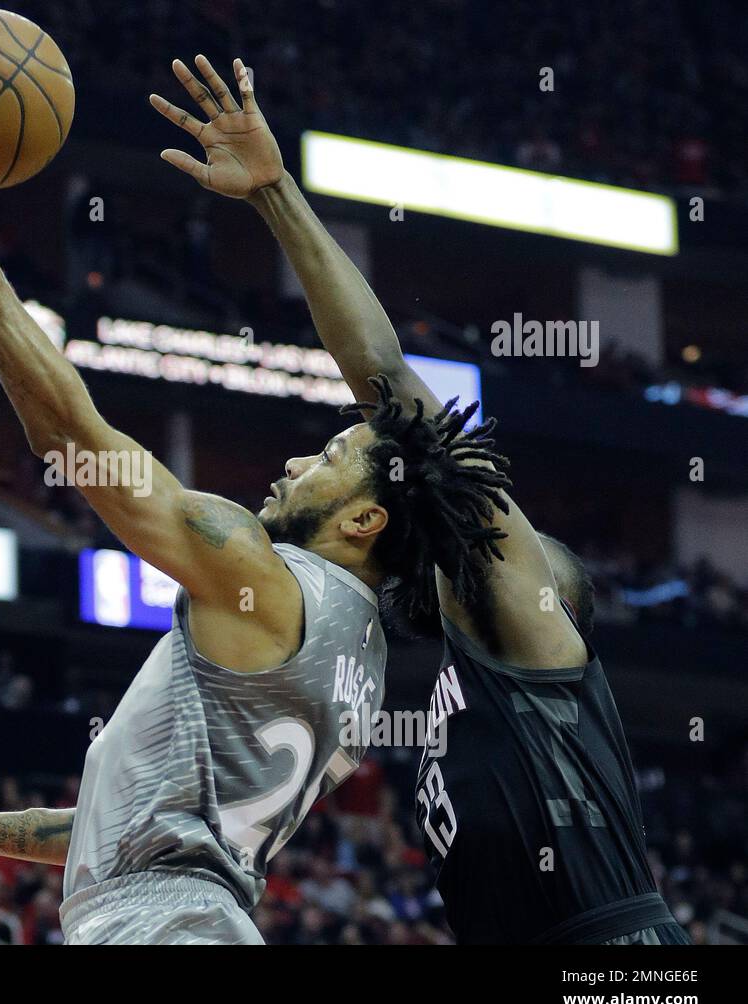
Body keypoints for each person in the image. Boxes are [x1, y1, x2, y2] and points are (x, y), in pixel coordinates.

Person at [0, 78, 512, 945]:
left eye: (331, 460)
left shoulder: (258, 575)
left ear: (364, 521)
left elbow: (70, 433)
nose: (297, 463)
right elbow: (157, 829)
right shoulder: (367, 676)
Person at [147, 57, 682, 944]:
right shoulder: (452, 678)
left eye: (525, 542)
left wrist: (277, 194)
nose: (505, 536)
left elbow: (388, 381)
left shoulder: (531, 634)